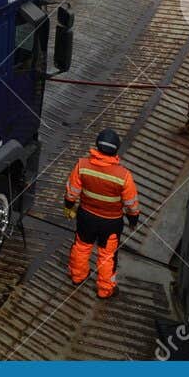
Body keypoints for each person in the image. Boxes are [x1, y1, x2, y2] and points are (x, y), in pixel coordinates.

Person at [64, 128, 140, 299]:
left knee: (82, 247)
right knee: (107, 255)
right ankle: (105, 290)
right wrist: (133, 218)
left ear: (97, 146)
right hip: (111, 223)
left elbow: (72, 191)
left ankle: (78, 276)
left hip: (86, 216)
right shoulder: (124, 176)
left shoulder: (82, 165)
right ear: (116, 149)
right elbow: (131, 203)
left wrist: (69, 205)